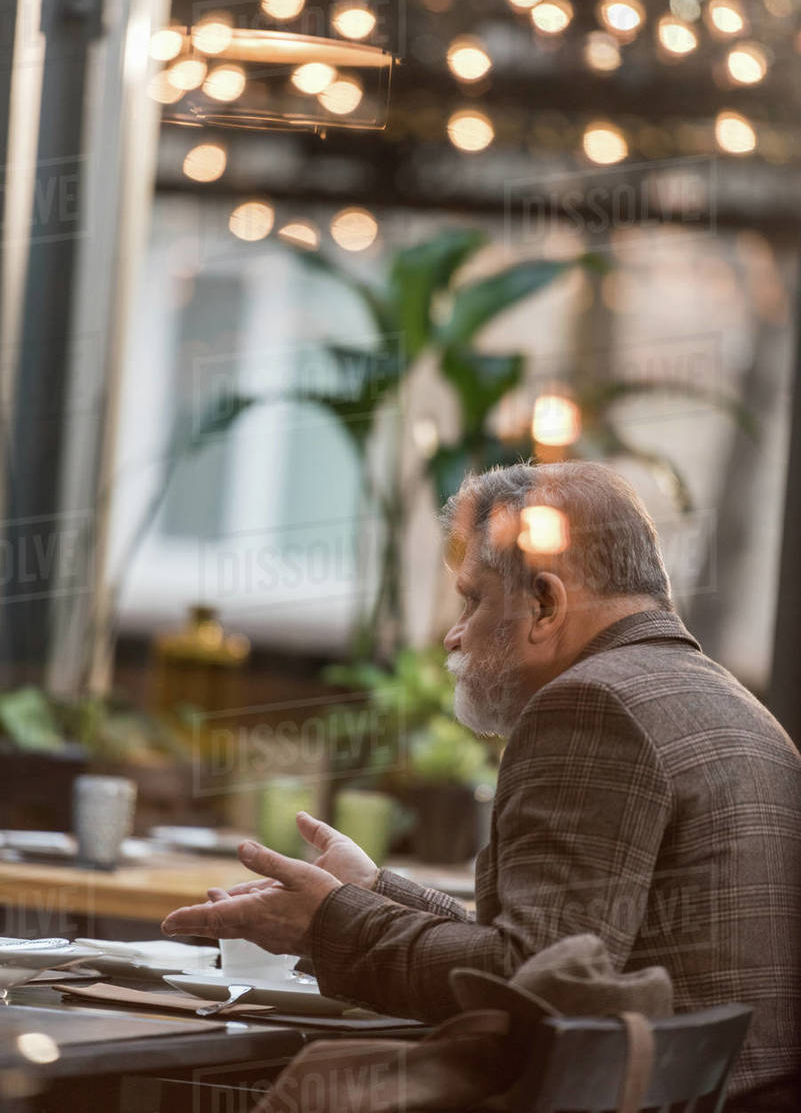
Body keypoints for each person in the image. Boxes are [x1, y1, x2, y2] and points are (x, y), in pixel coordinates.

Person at [163, 462, 801, 1109]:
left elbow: (524, 981)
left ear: (545, 604)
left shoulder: (588, 705)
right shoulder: (742, 710)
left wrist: (325, 922)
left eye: (470, 599)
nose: (453, 632)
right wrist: (373, 892)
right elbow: (556, 949)